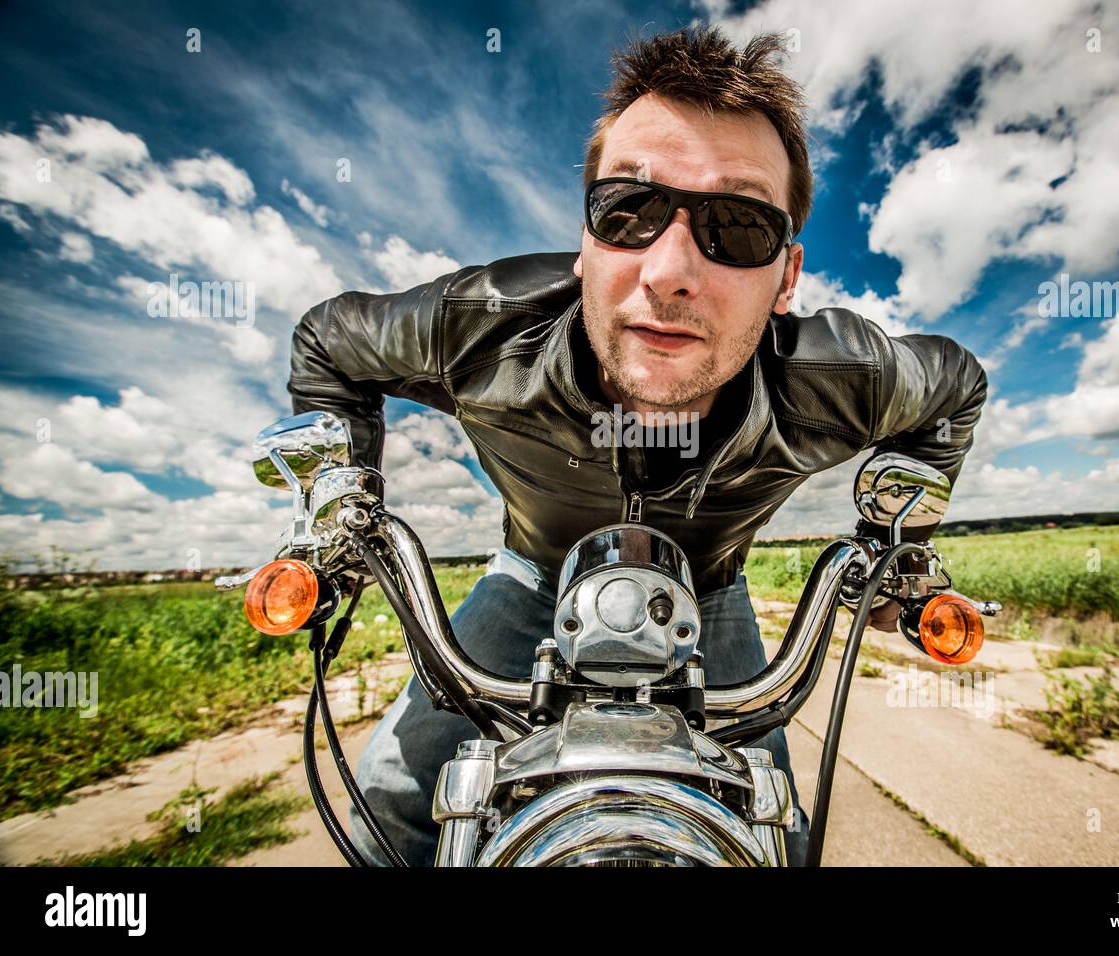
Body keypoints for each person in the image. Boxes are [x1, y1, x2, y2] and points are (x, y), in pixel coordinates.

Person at [288, 25, 988, 867]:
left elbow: (955, 385)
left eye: (737, 225)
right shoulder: (473, 326)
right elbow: (328, 340)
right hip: (531, 575)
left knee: (776, 835)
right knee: (390, 804)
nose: (668, 270)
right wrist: (340, 515)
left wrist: (898, 552)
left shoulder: (844, 377)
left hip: (712, 592)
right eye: (629, 210)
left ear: (788, 277)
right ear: (587, 245)